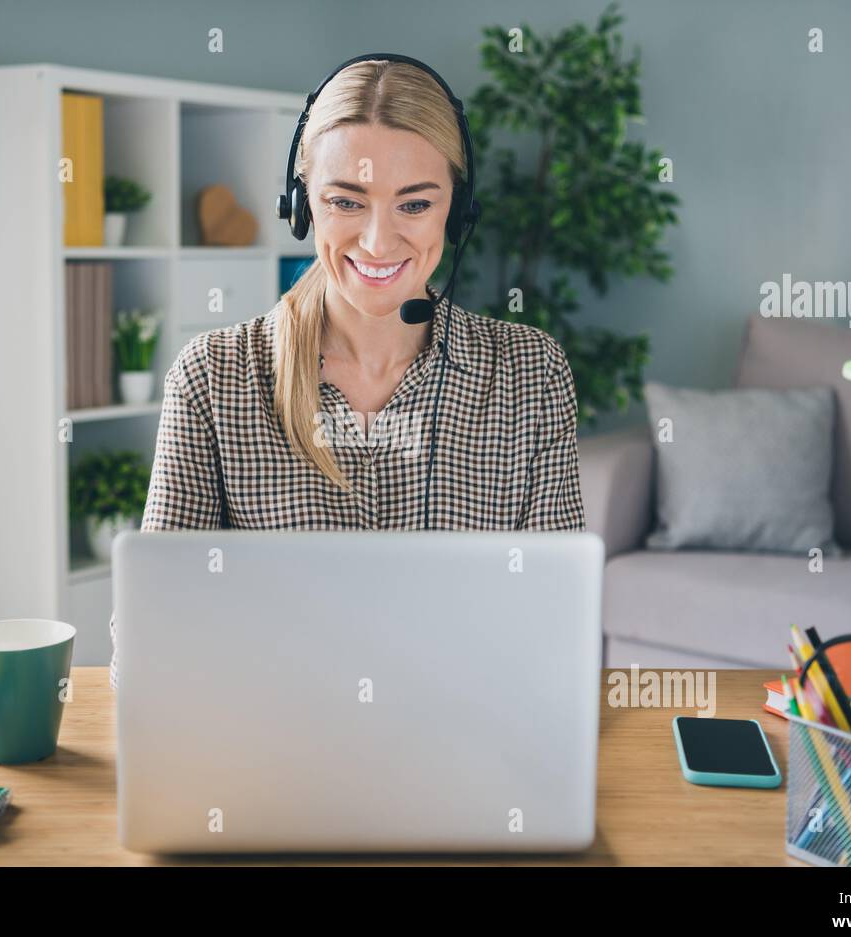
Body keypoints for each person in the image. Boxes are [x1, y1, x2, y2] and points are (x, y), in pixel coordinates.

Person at [110, 58, 586, 688]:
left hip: (469, 754)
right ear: (302, 205)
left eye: (414, 203)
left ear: (458, 211)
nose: (378, 241)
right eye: (345, 201)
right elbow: (152, 643)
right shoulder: (212, 377)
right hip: (273, 755)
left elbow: (557, 633)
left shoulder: (530, 374)